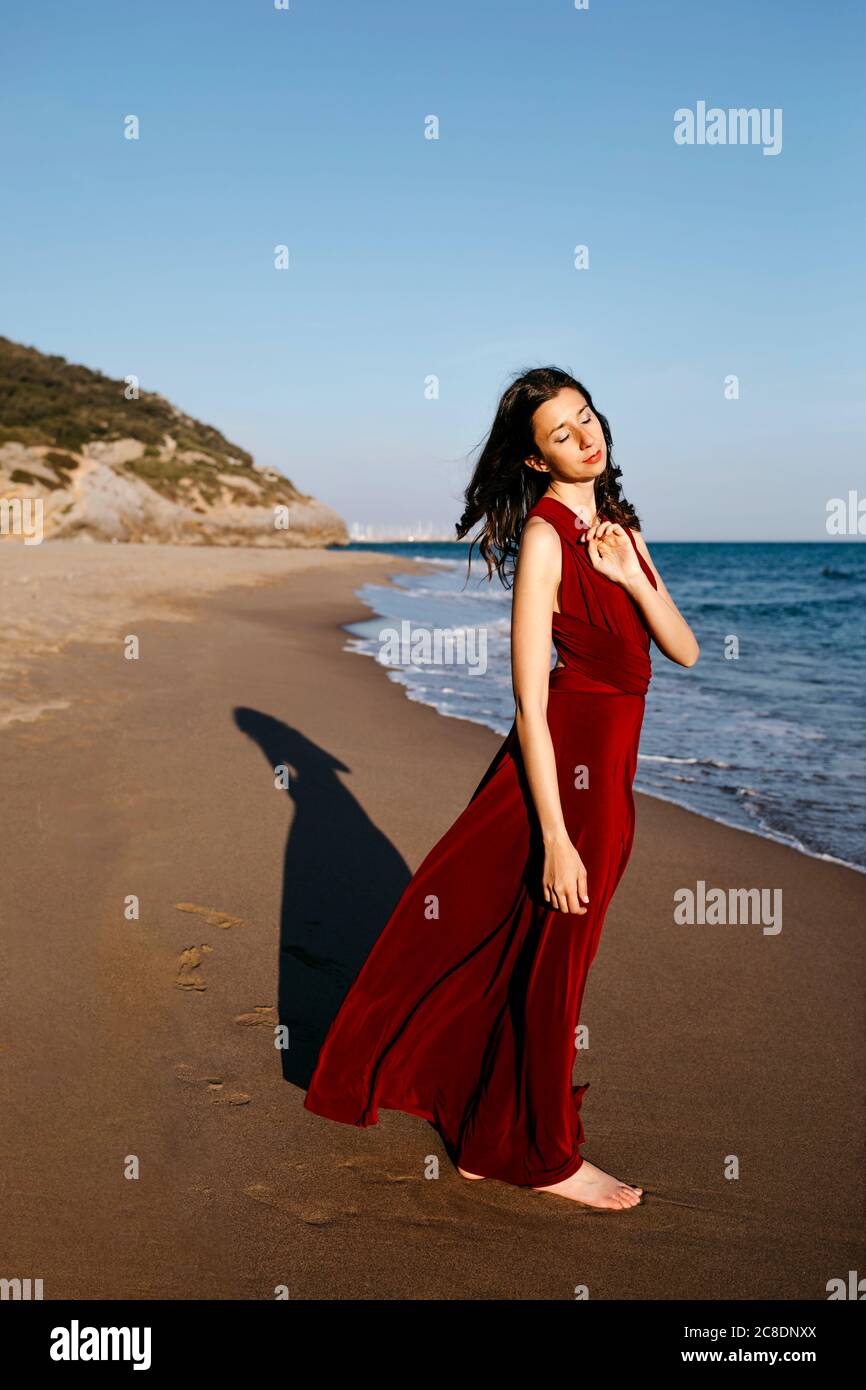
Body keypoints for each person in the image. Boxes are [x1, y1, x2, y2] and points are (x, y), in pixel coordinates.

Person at [304, 366, 700, 1209]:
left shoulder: (622, 526)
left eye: (588, 419)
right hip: (567, 771)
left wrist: (631, 574)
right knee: (558, 956)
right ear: (533, 457)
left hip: (611, 775)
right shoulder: (547, 540)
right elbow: (528, 697)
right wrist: (555, 837)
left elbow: (685, 650)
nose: (586, 437)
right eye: (562, 433)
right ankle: (547, 1157)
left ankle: (487, 1133)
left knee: (532, 946)